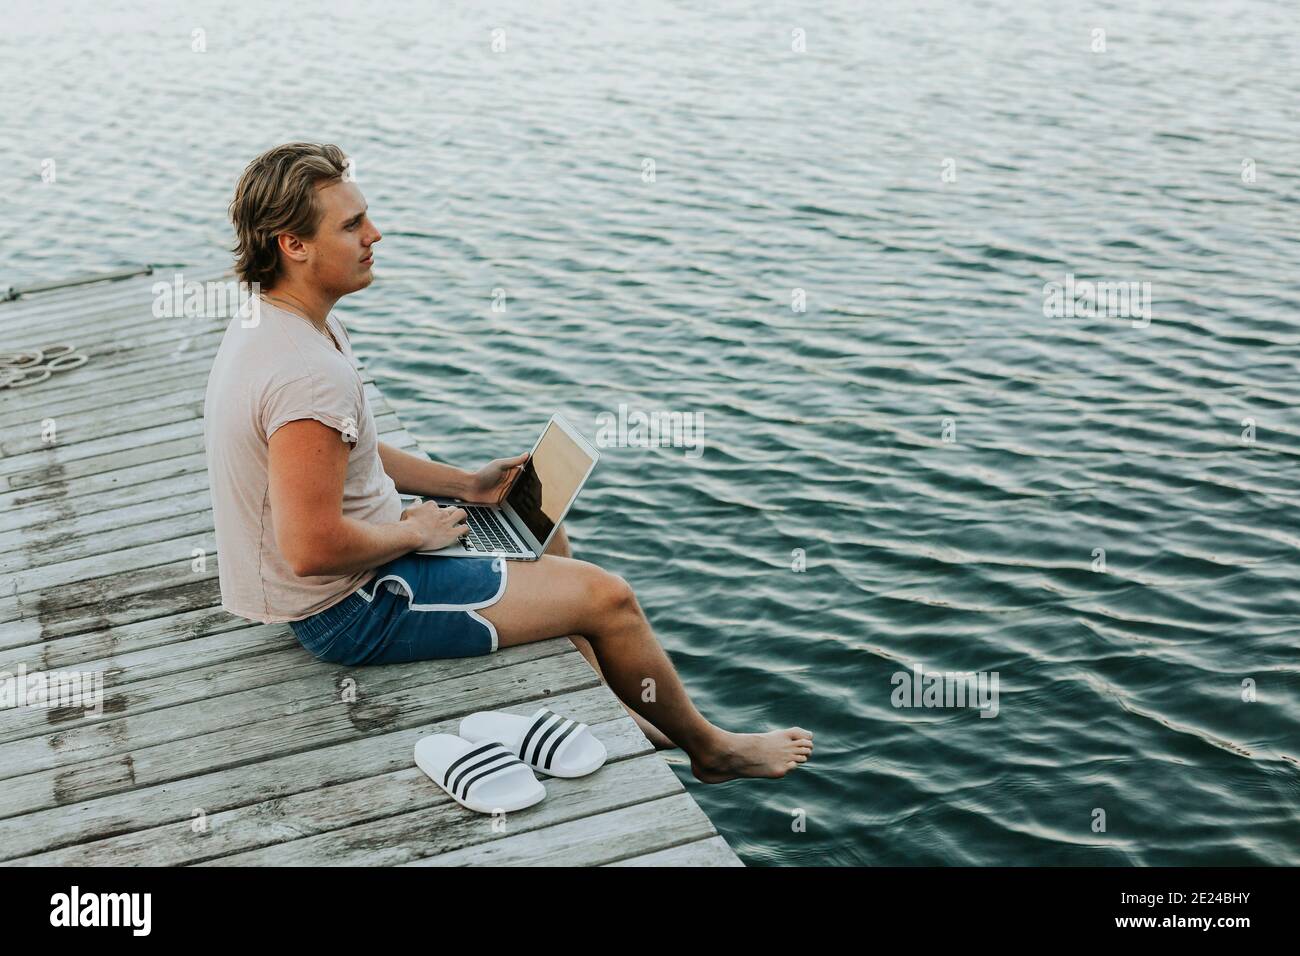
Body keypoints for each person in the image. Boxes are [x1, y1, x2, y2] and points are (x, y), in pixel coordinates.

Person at [203, 142, 812, 783]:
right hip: (349, 608)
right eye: (352, 225)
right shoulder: (305, 375)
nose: (374, 234)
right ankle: (712, 750)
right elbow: (310, 549)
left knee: (535, 520)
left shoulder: (280, 323)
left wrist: (467, 485)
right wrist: (415, 531)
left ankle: (614, 701)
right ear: (292, 244)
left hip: (361, 567)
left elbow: (340, 450)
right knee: (609, 597)